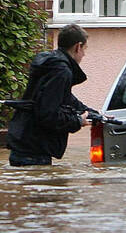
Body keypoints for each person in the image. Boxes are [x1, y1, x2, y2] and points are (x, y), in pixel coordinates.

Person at [7, 24, 91, 166]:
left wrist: (93, 113)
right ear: (78, 47)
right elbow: (48, 114)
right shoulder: (61, 71)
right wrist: (77, 121)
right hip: (35, 153)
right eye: (84, 49)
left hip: (24, 147)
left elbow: (66, 99)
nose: (84, 55)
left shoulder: (50, 65)